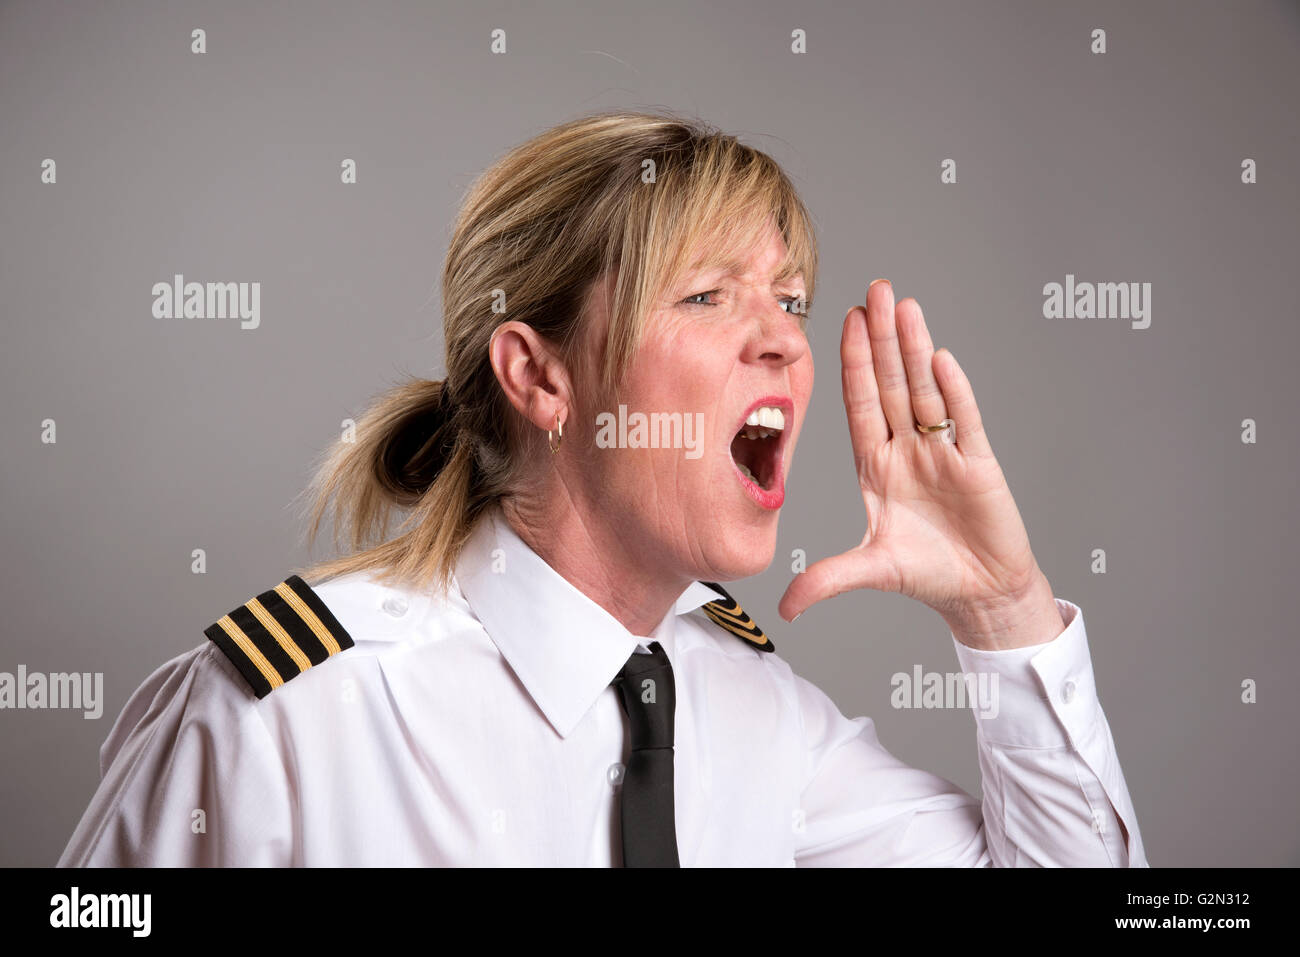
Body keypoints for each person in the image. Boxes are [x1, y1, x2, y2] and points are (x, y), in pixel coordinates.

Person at [58, 110, 1146, 867]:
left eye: (792, 301)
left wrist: (1002, 609)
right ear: (540, 375)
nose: (780, 342)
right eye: (710, 295)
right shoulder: (284, 713)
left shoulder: (757, 714)